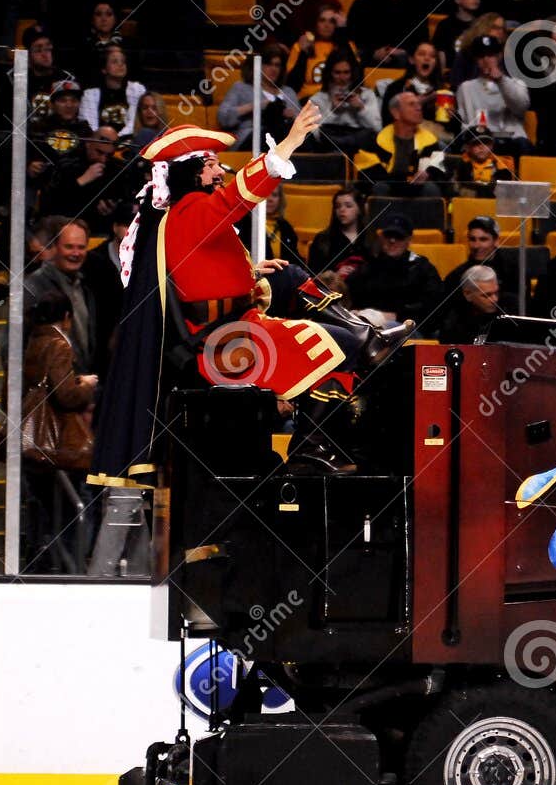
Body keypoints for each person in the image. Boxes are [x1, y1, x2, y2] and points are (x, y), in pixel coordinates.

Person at [88, 107, 409, 569]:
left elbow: (200, 269)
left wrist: (253, 270)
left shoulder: (181, 214)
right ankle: (313, 440)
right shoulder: (192, 207)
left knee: (311, 310)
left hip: (234, 328)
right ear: (194, 172)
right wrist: (285, 148)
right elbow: (237, 199)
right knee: (332, 344)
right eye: (213, 164)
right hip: (222, 343)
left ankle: (315, 440)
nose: (221, 170)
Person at [21, 291, 98, 574]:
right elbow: (65, 395)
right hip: (58, 442)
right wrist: (86, 385)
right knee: (76, 509)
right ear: (66, 317)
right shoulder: (59, 344)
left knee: (45, 510)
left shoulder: (33, 342)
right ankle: (69, 570)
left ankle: (45, 566)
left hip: (33, 442)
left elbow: (42, 385)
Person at [24, 218, 99, 375]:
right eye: (69, 247)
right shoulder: (33, 286)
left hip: (80, 390)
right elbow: (13, 345)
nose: (76, 253)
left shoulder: (87, 287)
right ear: (55, 247)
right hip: (48, 393)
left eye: (81, 247)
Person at [346, 212, 442, 325]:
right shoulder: (370, 266)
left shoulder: (422, 268)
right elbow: (351, 294)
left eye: (399, 236)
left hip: (407, 326)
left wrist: (398, 316)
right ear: (381, 237)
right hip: (368, 323)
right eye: (388, 236)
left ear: (408, 240)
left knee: (389, 326)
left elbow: (433, 305)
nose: (392, 241)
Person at [354, 89, 445, 194]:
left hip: (418, 191)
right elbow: (367, 174)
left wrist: (427, 174)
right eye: (412, 104)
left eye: (419, 104)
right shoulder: (375, 142)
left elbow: (439, 171)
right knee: (379, 188)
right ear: (395, 112)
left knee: (431, 189)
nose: (419, 108)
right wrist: (403, 181)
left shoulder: (430, 141)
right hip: (388, 190)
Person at [217, 44, 301, 151]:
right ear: (257, 66)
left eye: (277, 65)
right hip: (251, 139)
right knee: (272, 134)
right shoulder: (241, 88)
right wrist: (255, 106)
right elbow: (223, 117)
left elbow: (302, 123)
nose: (273, 69)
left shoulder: (288, 92)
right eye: (268, 64)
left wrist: (292, 116)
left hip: (285, 140)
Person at [456, 35, 533, 150]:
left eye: (490, 55)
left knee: (523, 145)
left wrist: (501, 81)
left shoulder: (517, 83)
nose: (486, 60)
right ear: (476, 60)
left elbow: (520, 107)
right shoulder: (466, 87)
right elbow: (466, 123)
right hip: (479, 142)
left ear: (499, 56)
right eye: (481, 56)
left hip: (512, 141)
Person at [346, 0, 423, 69]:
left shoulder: (412, 5)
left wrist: (403, 51)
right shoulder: (362, 3)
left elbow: (421, 37)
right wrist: (373, 52)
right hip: (369, 55)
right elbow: (353, 36)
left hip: (403, 55)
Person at [442, 215, 522, 314]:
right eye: (472, 239)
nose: (476, 245)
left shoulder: (513, 272)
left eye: (483, 239)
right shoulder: (456, 276)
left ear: (496, 241)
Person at [309, 55, 382, 155]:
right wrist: (333, 111)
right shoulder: (317, 99)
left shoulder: (367, 95)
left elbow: (377, 129)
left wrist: (361, 109)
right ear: (329, 74)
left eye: (346, 72)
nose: (342, 78)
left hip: (361, 148)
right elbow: (315, 135)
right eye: (337, 73)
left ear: (353, 74)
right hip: (330, 147)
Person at [78, 46, 145, 137]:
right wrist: (105, 139)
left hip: (128, 140)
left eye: (123, 61)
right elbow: (90, 124)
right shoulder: (90, 94)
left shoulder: (136, 90)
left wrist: (117, 138)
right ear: (104, 69)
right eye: (114, 61)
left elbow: (134, 123)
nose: (120, 64)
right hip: (100, 141)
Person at [306, 184, 369, 278]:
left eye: (348, 206)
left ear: (359, 209)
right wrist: (334, 275)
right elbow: (312, 275)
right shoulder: (322, 239)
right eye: (338, 206)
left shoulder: (370, 238)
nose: (342, 210)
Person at [438, 264, 504, 344]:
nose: (494, 299)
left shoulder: (509, 310)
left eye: (496, 293)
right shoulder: (453, 324)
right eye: (486, 295)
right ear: (468, 294)